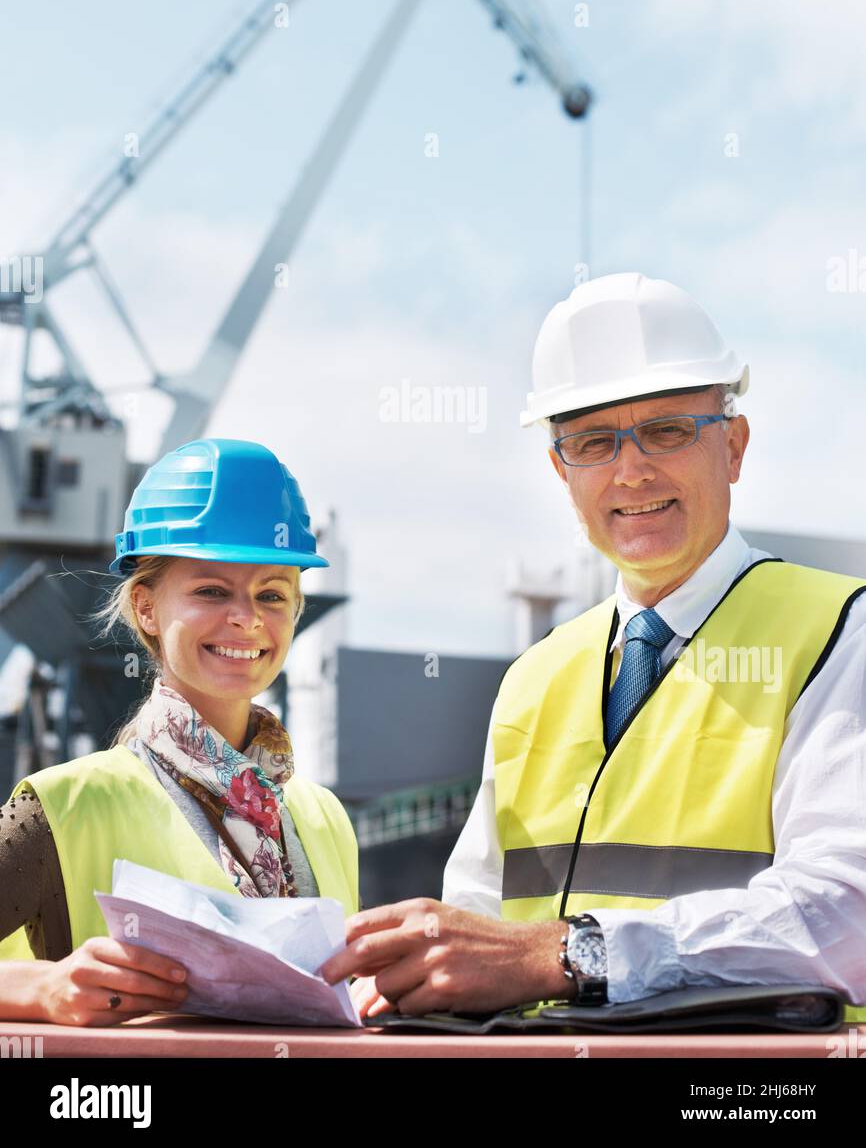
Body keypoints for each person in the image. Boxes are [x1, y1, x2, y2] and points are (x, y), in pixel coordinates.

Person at [321, 272, 866, 1023]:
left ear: (733, 447)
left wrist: (576, 955)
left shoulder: (842, 634)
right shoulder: (533, 680)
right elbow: (479, 924)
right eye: (592, 442)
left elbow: (848, 917)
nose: (632, 469)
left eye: (669, 430)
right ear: (560, 471)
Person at [0, 437, 358, 1025]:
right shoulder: (61, 807)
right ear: (145, 607)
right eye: (211, 591)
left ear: (295, 612)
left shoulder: (324, 818)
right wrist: (40, 989)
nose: (245, 617)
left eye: (272, 594)